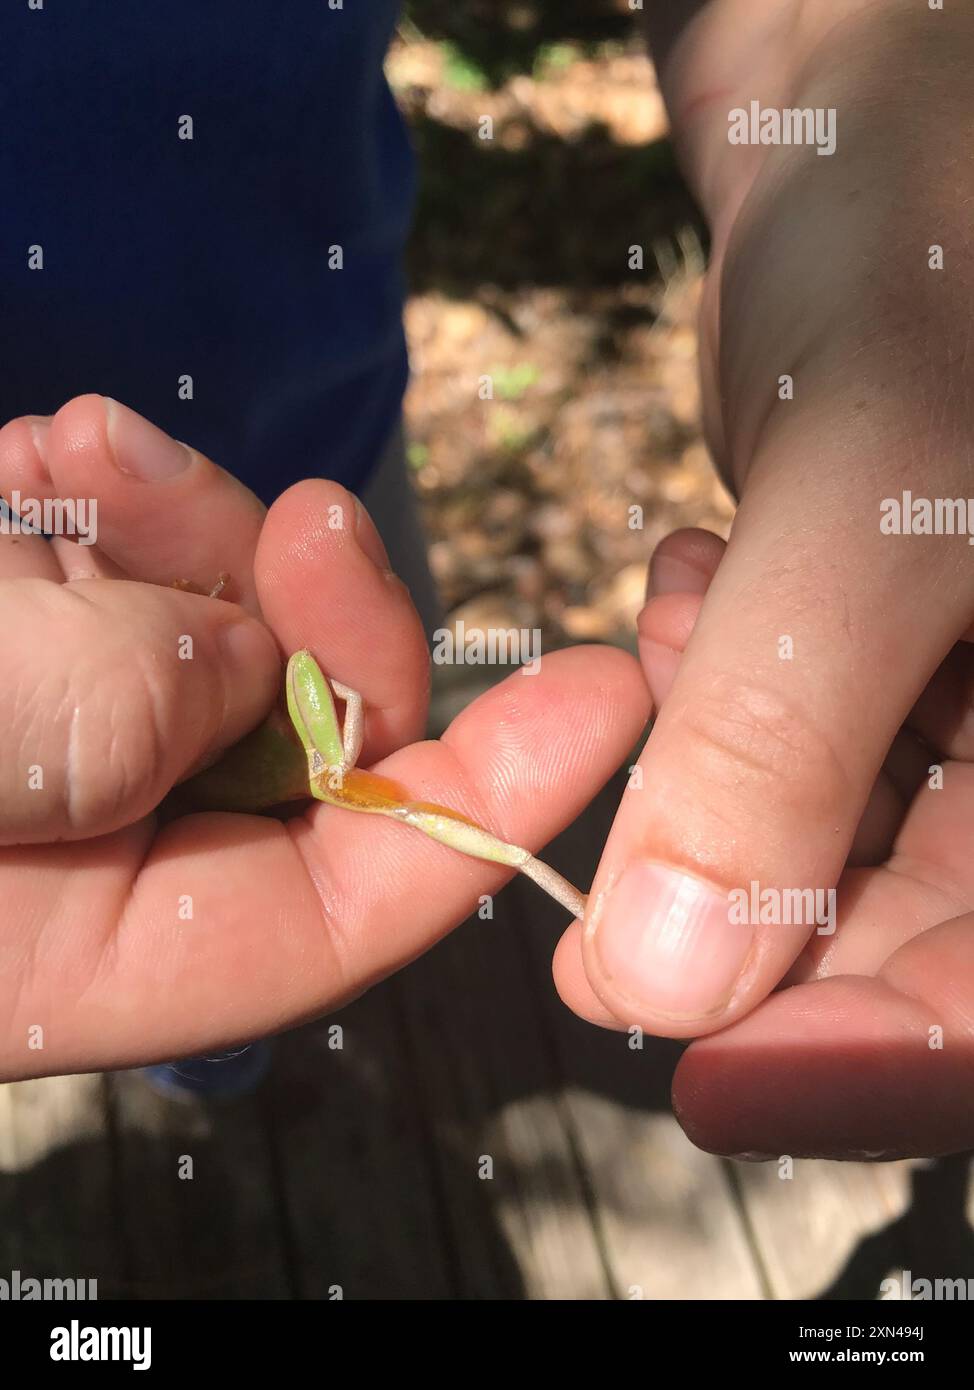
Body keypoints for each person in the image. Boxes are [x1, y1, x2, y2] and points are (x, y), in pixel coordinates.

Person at [1, 0, 972, 1160]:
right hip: (120, 555)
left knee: (339, 727)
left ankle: (227, 1057)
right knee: (205, 863)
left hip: (318, 458)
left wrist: (861, 90)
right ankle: (205, 1065)